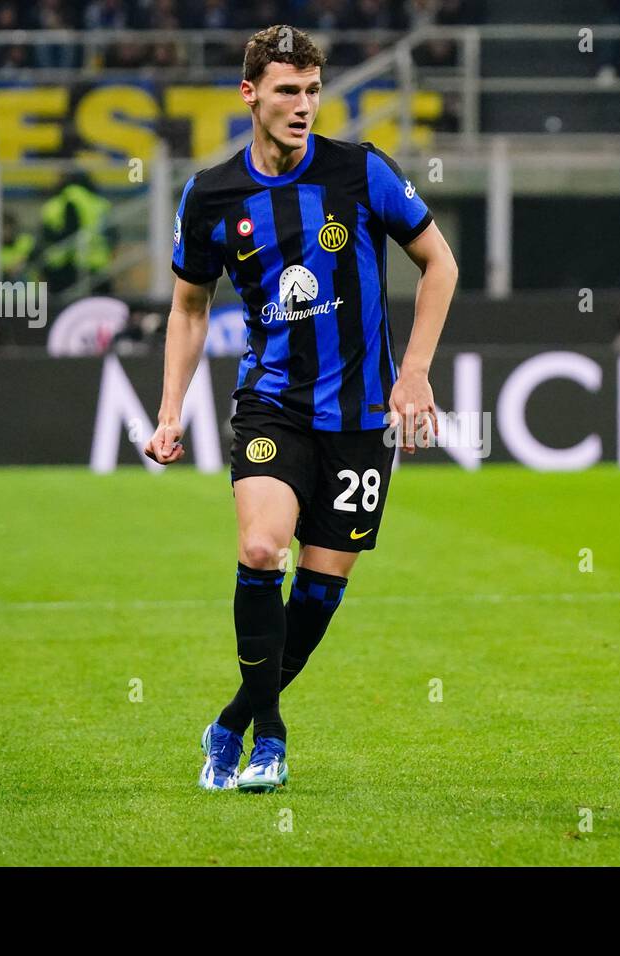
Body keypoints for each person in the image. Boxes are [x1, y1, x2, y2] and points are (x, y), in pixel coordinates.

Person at [143, 24, 458, 794]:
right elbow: (189, 308)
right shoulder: (211, 194)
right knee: (261, 551)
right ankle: (272, 737)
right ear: (249, 94)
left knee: (317, 596)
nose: (304, 105)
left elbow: (438, 263)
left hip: (358, 422)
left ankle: (231, 723)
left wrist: (413, 373)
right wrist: (169, 410)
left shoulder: (360, 171)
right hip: (271, 408)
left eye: (314, 91)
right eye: (288, 90)